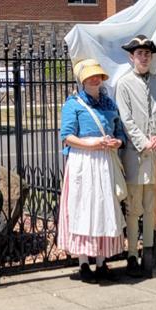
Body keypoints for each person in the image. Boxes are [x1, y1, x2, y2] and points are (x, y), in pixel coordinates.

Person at [58, 58, 126, 282]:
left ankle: (101, 261)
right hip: (84, 162)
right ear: (82, 80)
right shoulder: (73, 104)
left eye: (97, 75)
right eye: (89, 76)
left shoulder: (109, 104)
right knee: (83, 208)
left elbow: (120, 132)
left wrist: (117, 142)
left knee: (103, 208)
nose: (94, 79)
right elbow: (67, 137)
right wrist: (92, 144)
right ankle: (83, 262)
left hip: (104, 160)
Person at [115, 35, 156, 277]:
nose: (144, 57)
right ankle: (131, 255)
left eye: (147, 53)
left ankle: (149, 251)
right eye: (139, 53)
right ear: (131, 57)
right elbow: (126, 120)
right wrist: (144, 142)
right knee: (133, 207)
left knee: (152, 206)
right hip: (135, 156)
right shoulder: (124, 84)